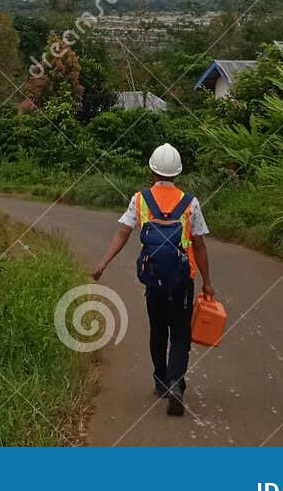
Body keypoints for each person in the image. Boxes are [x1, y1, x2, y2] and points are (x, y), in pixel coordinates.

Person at [90, 143, 215, 418]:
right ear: (178, 173)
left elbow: (122, 233)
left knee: (158, 330)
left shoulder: (140, 199)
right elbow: (200, 244)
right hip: (183, 279)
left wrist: (103, 263)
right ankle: (175, 383)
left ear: (151, 169)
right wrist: (207, 281)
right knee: (181, 333)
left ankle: (161, 381)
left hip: (153, 279)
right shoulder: (190, 202)